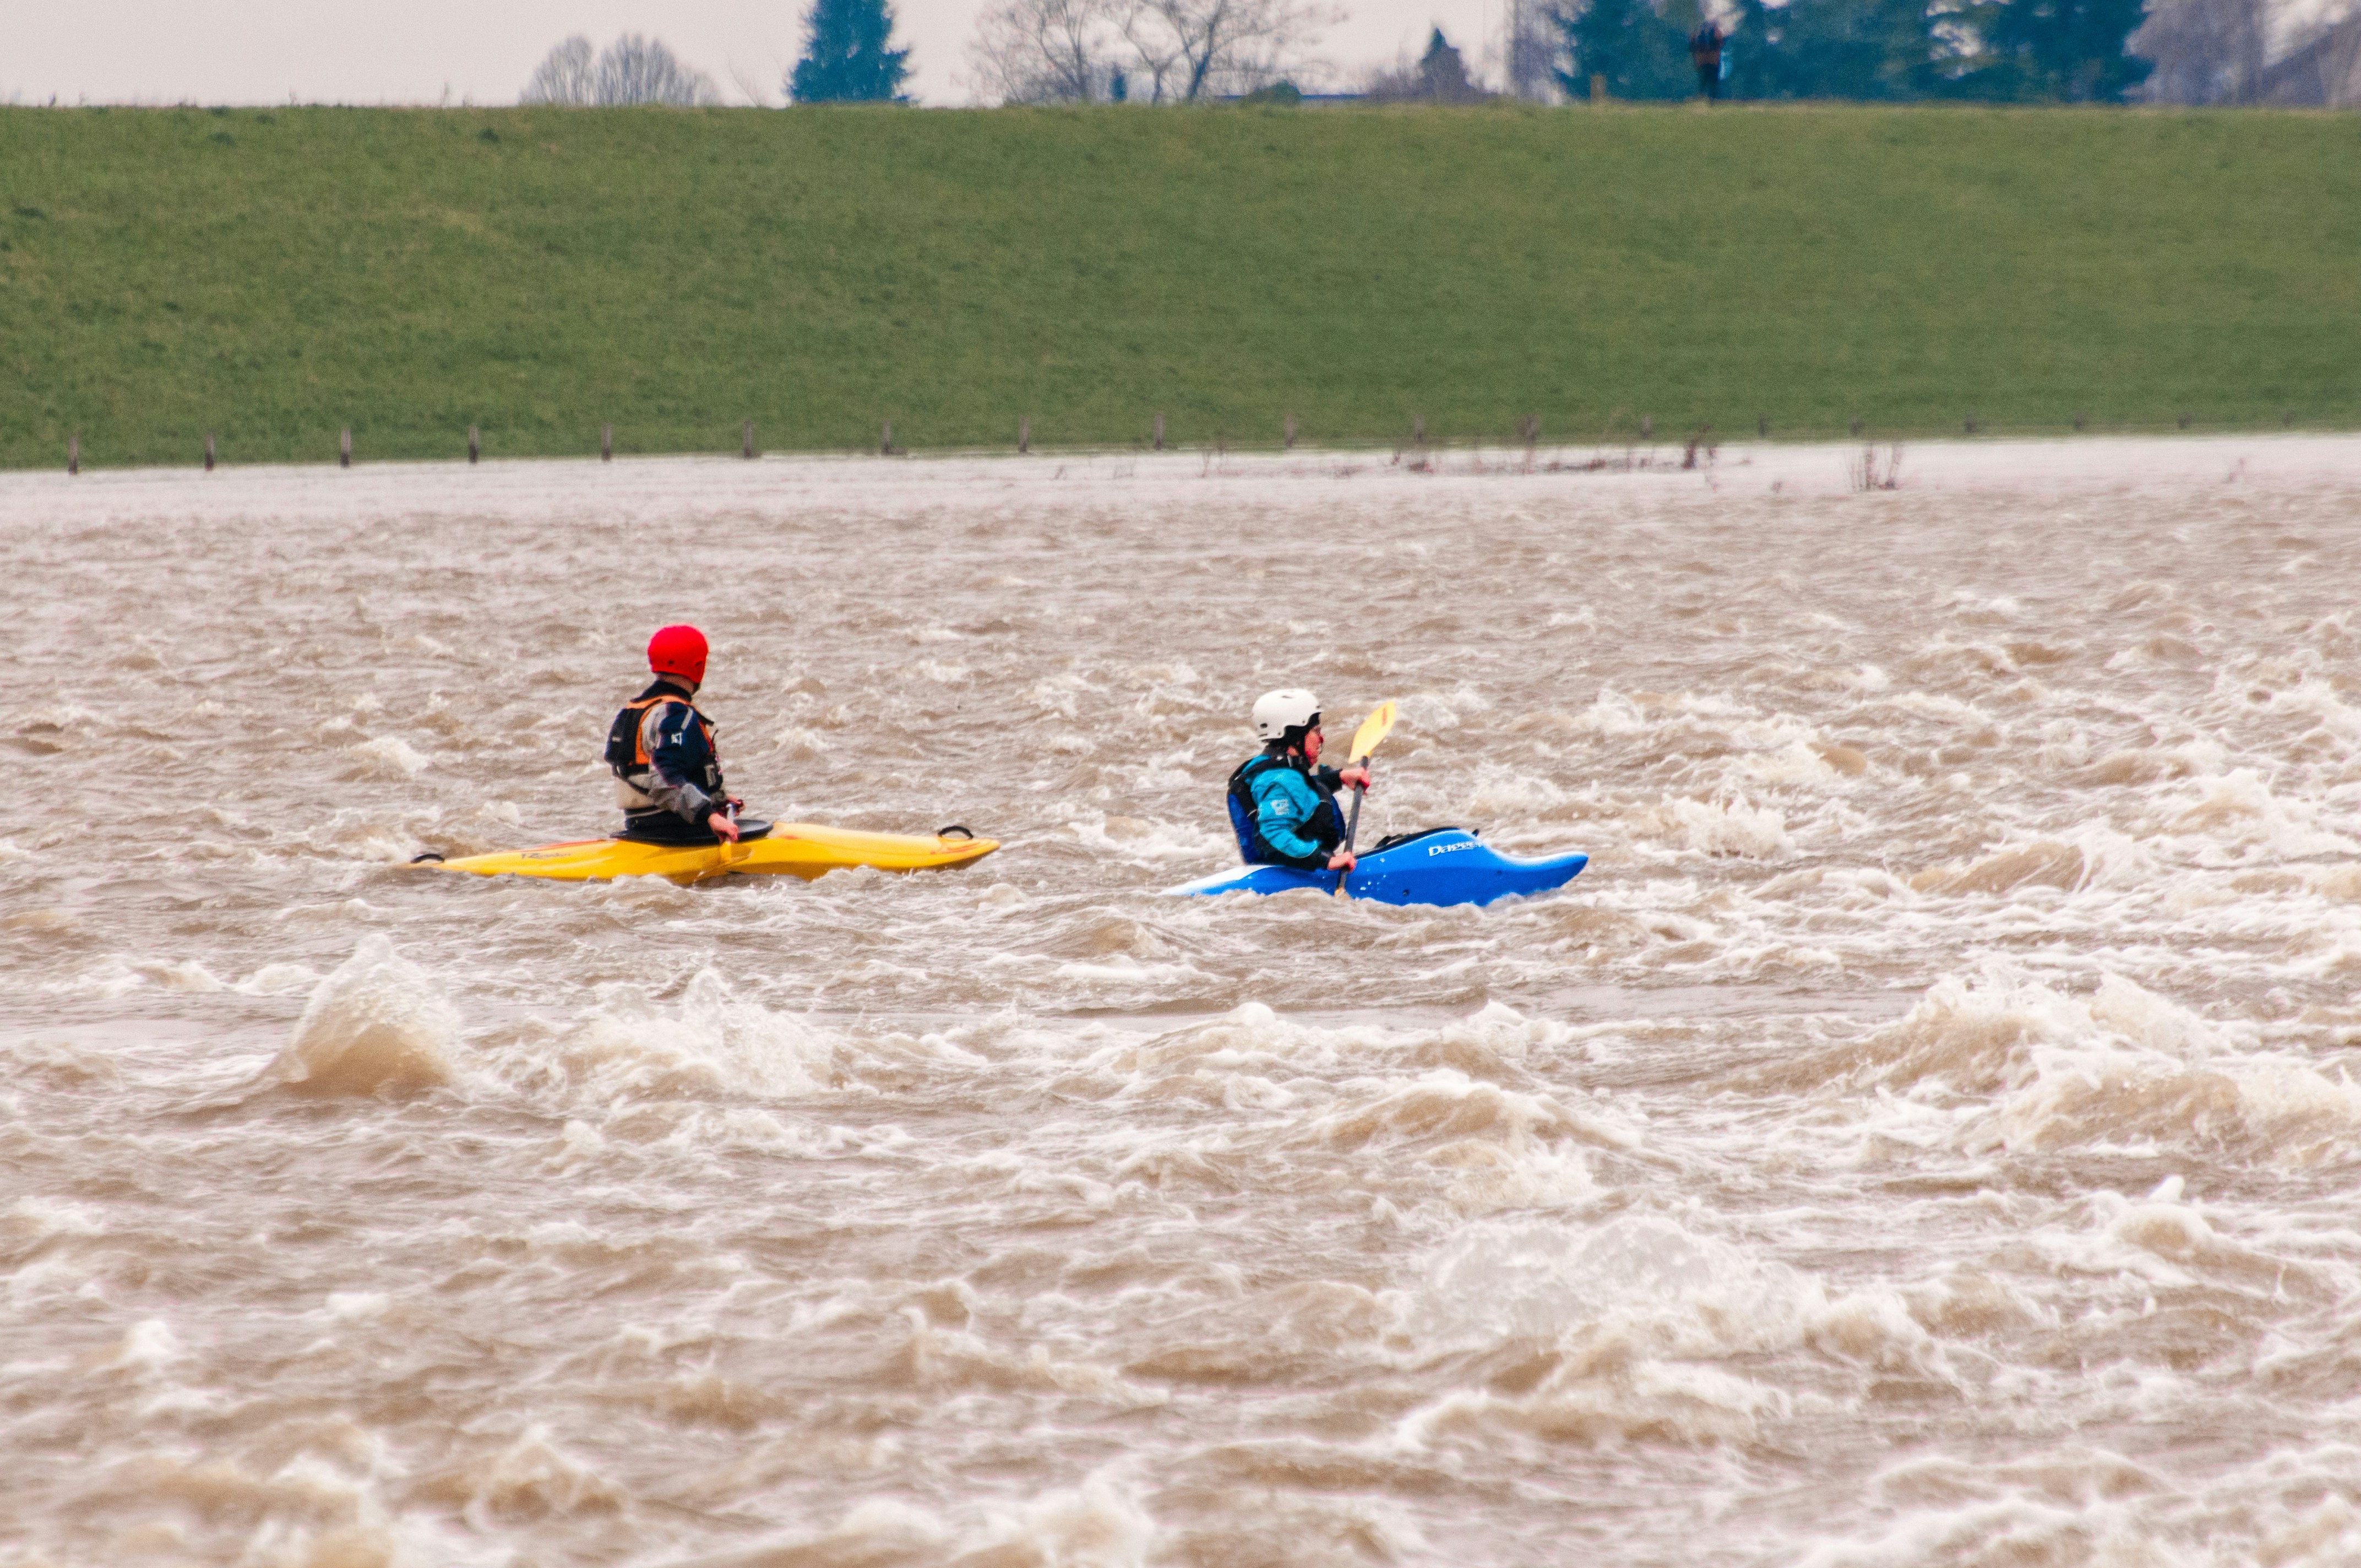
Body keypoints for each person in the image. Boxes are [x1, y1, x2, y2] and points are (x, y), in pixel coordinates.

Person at [603, 625, 759, 845]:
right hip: (677, 831)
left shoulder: (632, 709)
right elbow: (664, 780)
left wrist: (715, 799)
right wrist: (711, 816)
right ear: (698, 667)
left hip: (640, 826)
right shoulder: (676, 713)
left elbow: (643, 773)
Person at [1225, 689, 1374, 874]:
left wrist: (1338, 778)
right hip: (1291, 870)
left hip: (1291, 866)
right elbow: (1272, 836)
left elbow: (1298, 793)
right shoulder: (1276, 780)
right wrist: (1325, 861)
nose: (1321, 739)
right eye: (1315, 731)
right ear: (1295, 736)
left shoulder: (1275, 770)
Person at [1689, 19, 1726, 100]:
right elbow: (1722, 44)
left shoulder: (1696, 34)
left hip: (1701, 61)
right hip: (1714, 60)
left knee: (1703, 80)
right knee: (1713, 81)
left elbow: (1691, 47)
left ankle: (1701, 97)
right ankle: (1713, 99)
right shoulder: (1717, 33)